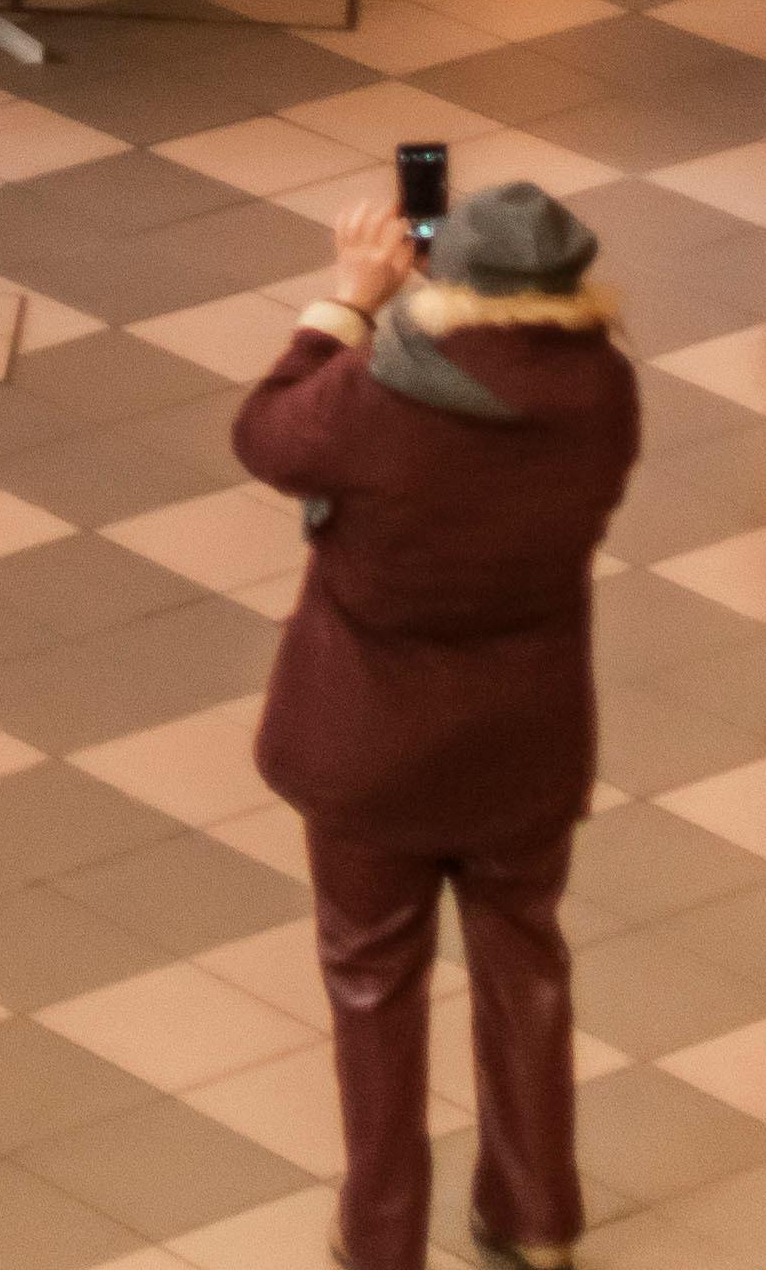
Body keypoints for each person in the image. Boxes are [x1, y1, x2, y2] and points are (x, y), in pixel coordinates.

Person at [233, 173, 639, 1270]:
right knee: (525, 964)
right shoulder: (604, 389)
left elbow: (265, 438)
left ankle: (380, 1235)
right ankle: (534, 1215)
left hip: (369, 743)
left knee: (370, 982)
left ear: (447, 278)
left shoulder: (377, 391)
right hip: (526, 734)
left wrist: (348, 303)